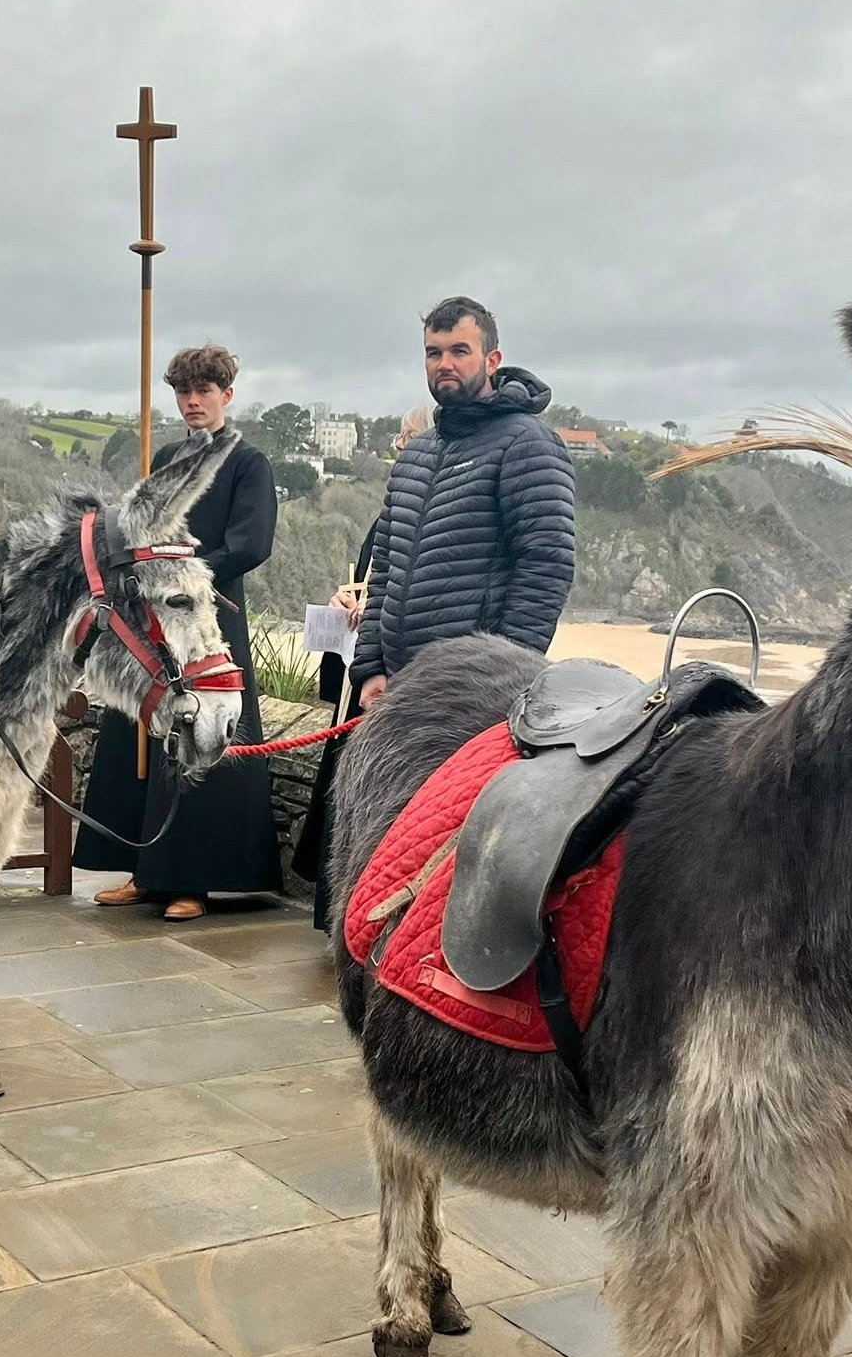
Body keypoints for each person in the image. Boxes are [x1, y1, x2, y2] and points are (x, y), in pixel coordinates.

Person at [76, 344, 281, 920]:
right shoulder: (166, 457)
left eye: (204, 391)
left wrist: (183, 576)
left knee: (200, 732)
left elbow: (251, 543)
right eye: (184, 392)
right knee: (139, 730)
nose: (193, 401)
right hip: (153, 617)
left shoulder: (249, 464)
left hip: (208, 615)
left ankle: (193, 880)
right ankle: (144, 872)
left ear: (226, 395)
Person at [350, 297, 576, 708]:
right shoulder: (415, 455)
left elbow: (546, 567)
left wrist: (501, 678)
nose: (445, 364)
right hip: (401, 688)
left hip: (473, 694)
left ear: (492, 360)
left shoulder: (528, 443)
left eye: (459, 351)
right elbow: (384, 569)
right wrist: (370, 667)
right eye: (434, 353)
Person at [294, 404, 434, 930]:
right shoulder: (389, 515)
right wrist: (348, 601)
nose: (399, 446)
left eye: (409, 437)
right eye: (399, 436)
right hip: (366, 670)